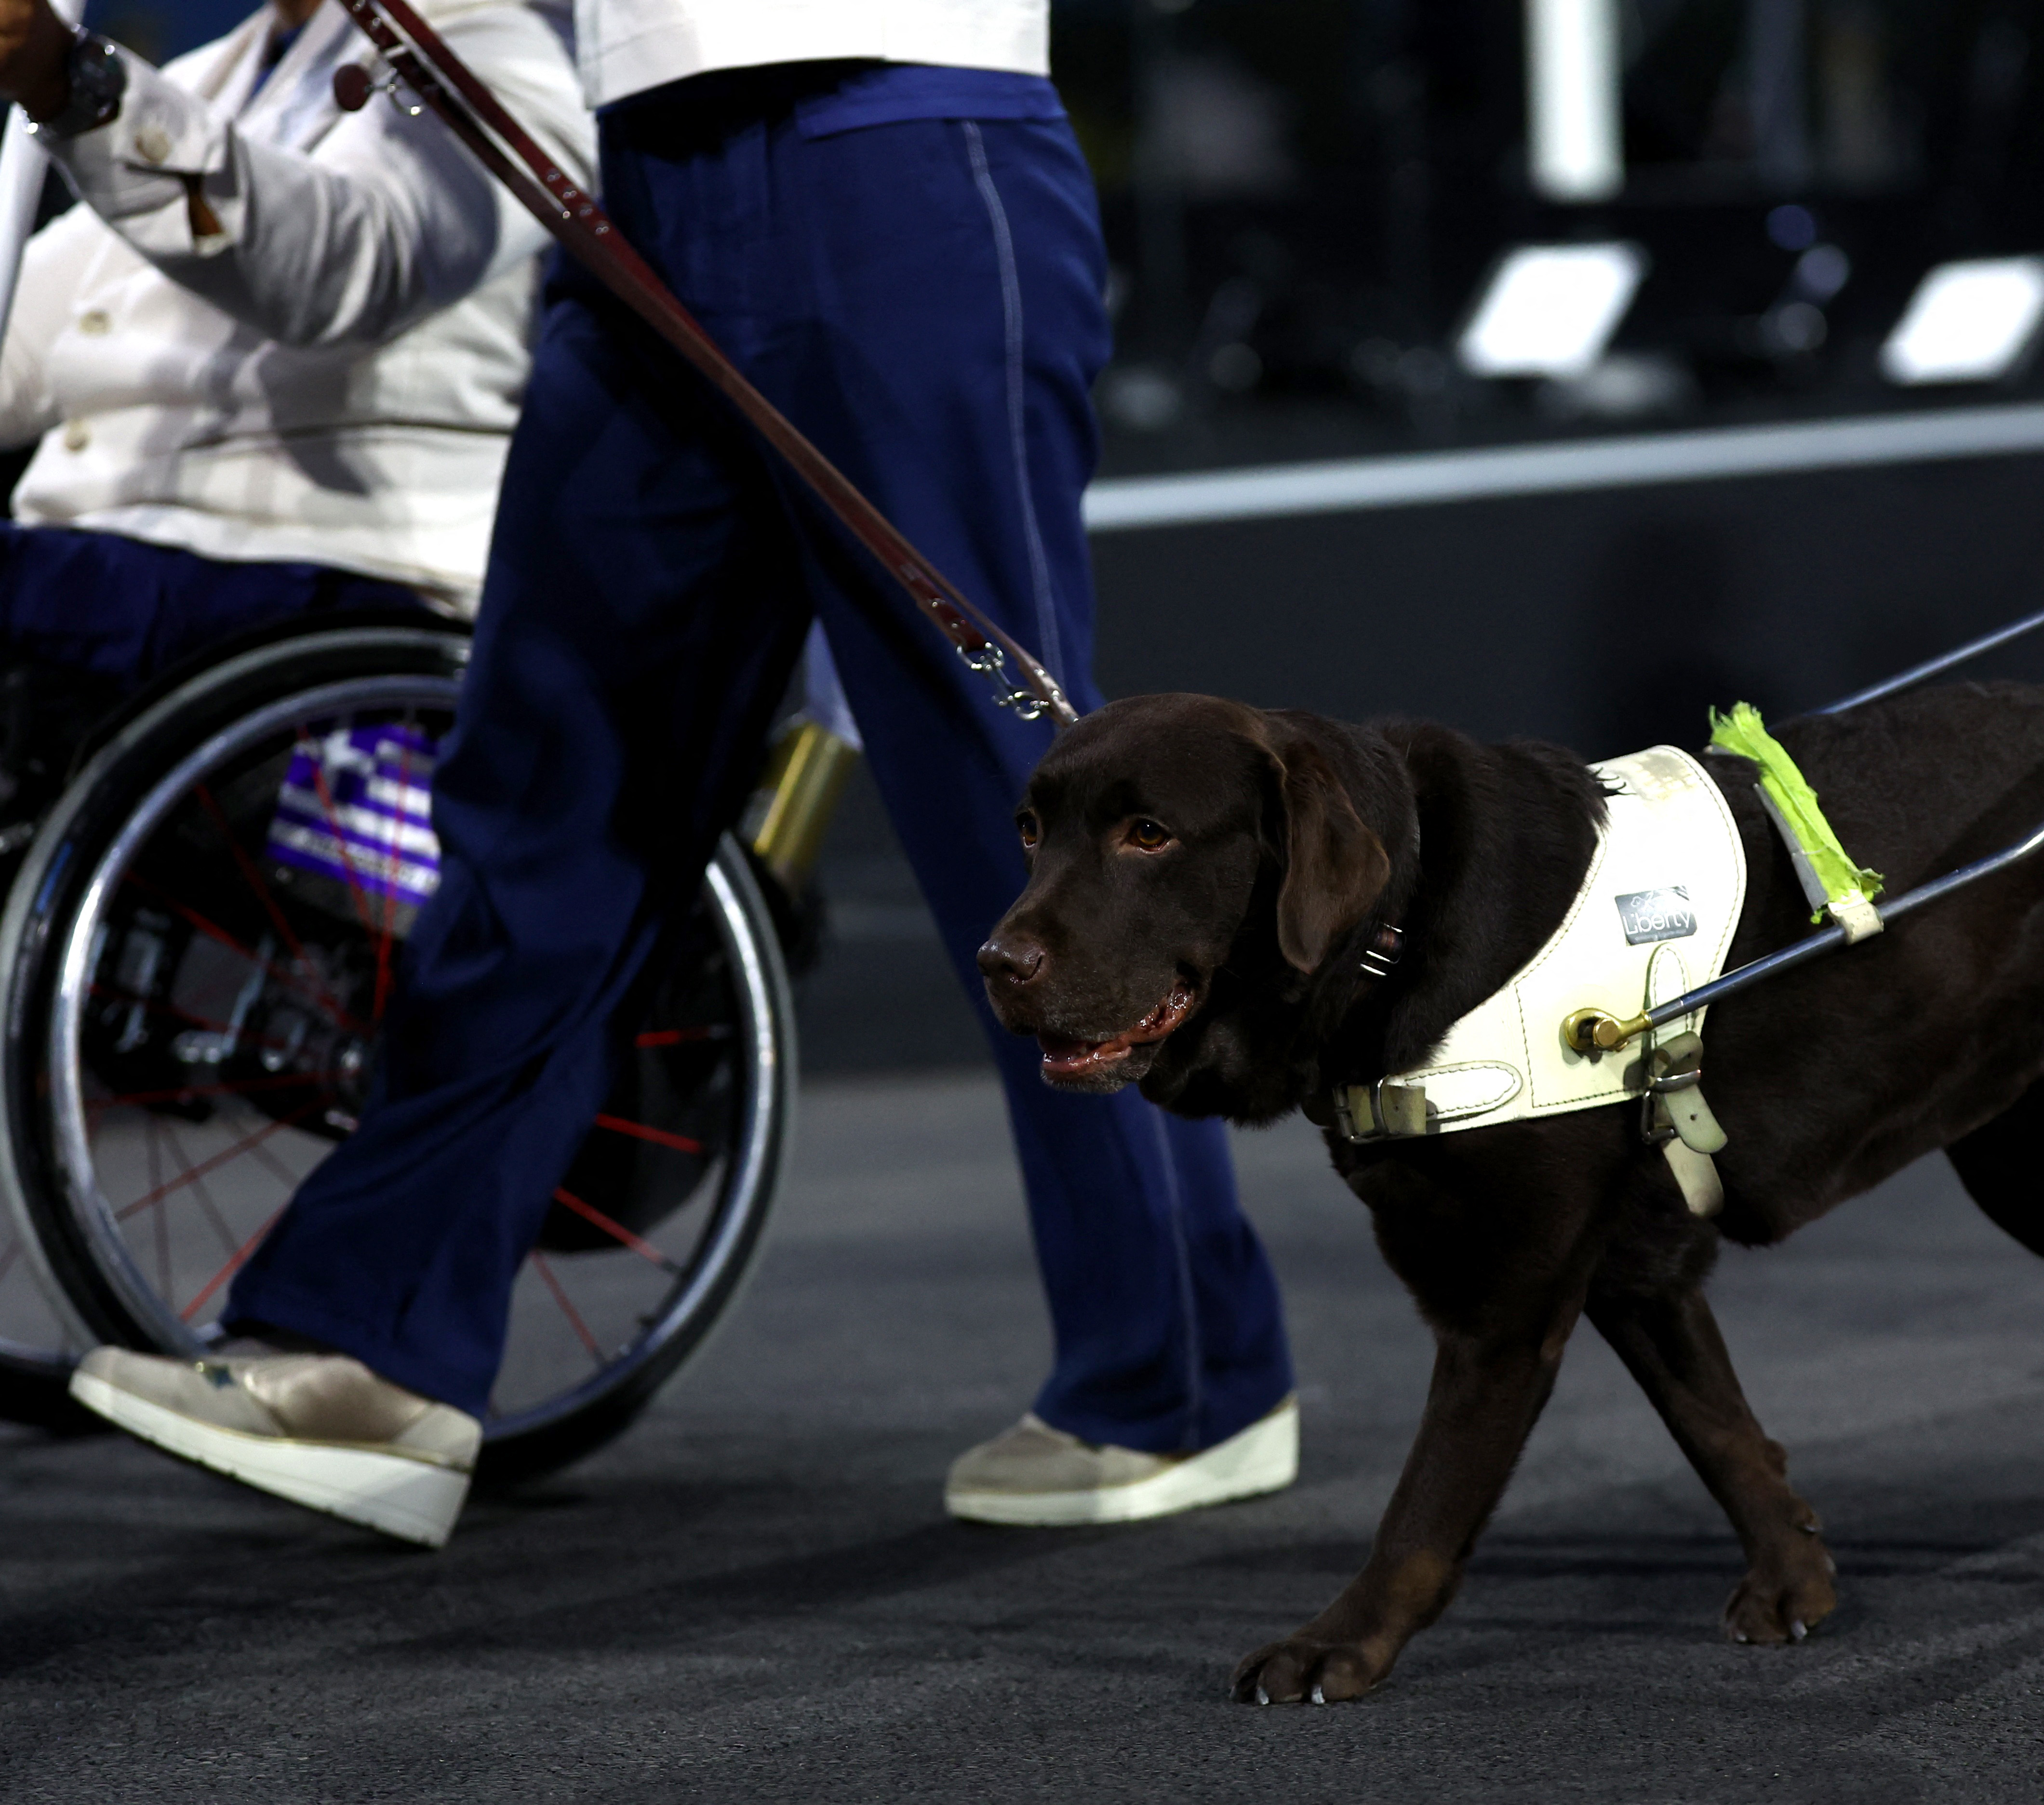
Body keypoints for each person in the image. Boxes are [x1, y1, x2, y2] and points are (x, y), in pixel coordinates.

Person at [60, 0, 1299, 1544]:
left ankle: (1188, 1370)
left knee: (1026, 812)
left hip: (894, 131)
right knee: (552, 790)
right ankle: (373, 1348)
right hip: (644, 169)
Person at [0, 0, 591, 823]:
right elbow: (21, 346)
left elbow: (349, 266)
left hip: (305, 588)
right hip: (120, 574)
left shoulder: (517, 42)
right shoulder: (224, 68)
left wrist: (69, 84)